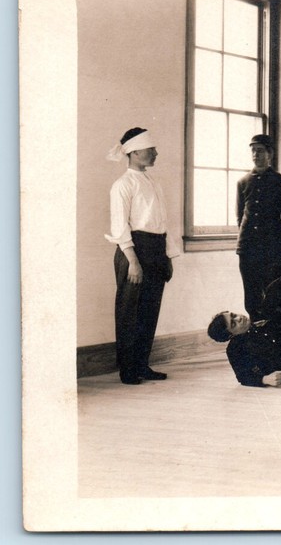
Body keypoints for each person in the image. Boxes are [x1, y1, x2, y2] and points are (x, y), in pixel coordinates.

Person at [105, 127, 180, 385]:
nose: (155, 153)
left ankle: (142, 365)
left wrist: (167, 256)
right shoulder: (122, 185)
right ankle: (128, 370)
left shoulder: (152, 183)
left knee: (150, 310)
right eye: (151, 150)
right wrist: (133, 263)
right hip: (133, 252)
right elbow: (120, 227)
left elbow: (162, 223)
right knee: (130, 312)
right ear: (135, 153)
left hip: (155, 251)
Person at [236, 134, 281, 321]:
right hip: (247, 250)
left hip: (271, 251)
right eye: (253, 150)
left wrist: (279, 247)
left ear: (270, 153)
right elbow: (240, 217)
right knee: (251, 297)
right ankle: (256, 337)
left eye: (260, 150)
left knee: (274, 295)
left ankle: (275, 339)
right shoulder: (243, 182)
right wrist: (246, 242)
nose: (256, 154)